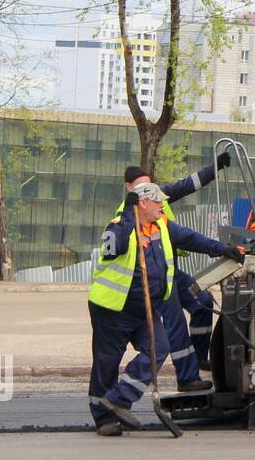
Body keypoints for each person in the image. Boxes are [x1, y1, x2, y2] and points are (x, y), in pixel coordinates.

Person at [88, 182, 242, 436]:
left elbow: (191, 239)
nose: (162, 205)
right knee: (107, 363)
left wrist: (222, 249)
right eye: (157, 201)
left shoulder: (161, 225)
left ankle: (119, 399)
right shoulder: (118, 227)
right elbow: (113, 248)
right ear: (143, 204)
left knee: (159, 348)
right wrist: (129, 218)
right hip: (112, 310)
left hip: (143, 310)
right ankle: (103, 418)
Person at [122, 151, 231, 387]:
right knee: (176, 324)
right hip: (153, 277)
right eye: (141, 188)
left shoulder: (157, 201)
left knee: (203, 302)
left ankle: (199, 358)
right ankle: (187, 377)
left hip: (171, 272)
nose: (149, 192)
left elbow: (188, 185)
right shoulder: (128, 218)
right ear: (129, 188)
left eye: (150, 186)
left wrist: (214, 168)